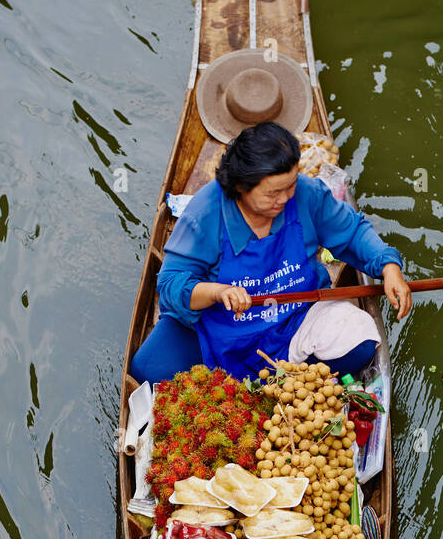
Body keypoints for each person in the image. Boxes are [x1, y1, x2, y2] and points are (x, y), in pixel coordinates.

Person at [129, 122, 412, 385]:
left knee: (359, 343)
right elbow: (170, 285)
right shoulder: (206, 212)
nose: (286, 198)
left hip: (295, 318)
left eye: (291, 185)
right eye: (273, 193)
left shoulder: (306, 193)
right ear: (241, 186)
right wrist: (217, 292)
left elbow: (353, 233)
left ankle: (290, 384)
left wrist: (389, 267)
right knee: (149, 370)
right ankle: (270, 381)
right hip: (219, 330)